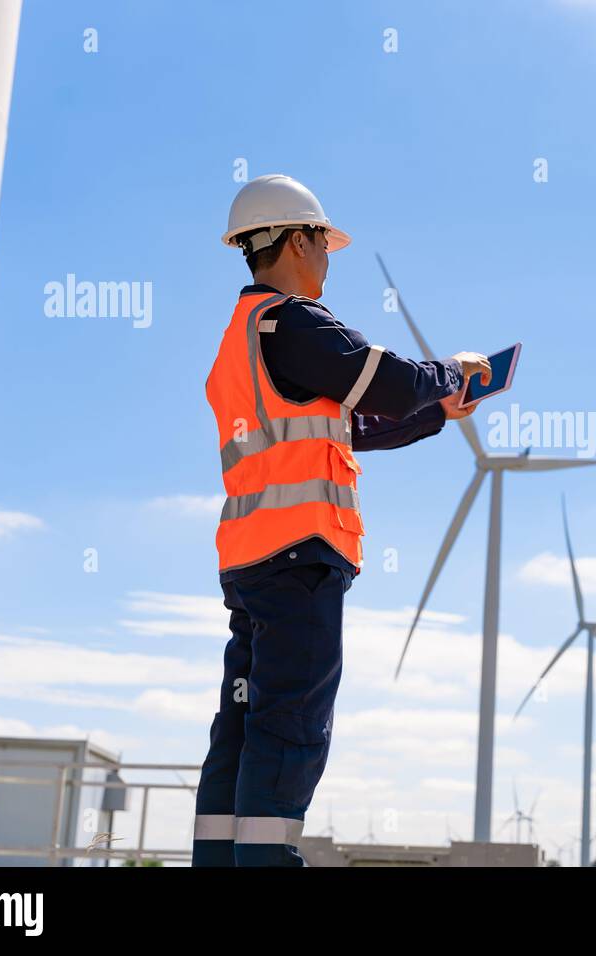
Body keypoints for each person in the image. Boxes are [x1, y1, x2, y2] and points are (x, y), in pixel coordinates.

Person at [191, 174, 490, 866]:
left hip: (250, 564)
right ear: (299, 241)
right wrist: (452, 372)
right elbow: (383, 377)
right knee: (291, 721)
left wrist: (436, 416)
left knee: (240, 722)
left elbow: (347, 426)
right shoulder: (290, 321)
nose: (328, 259)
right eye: (325, 244)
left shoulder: (240, 339)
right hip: (301, 560)